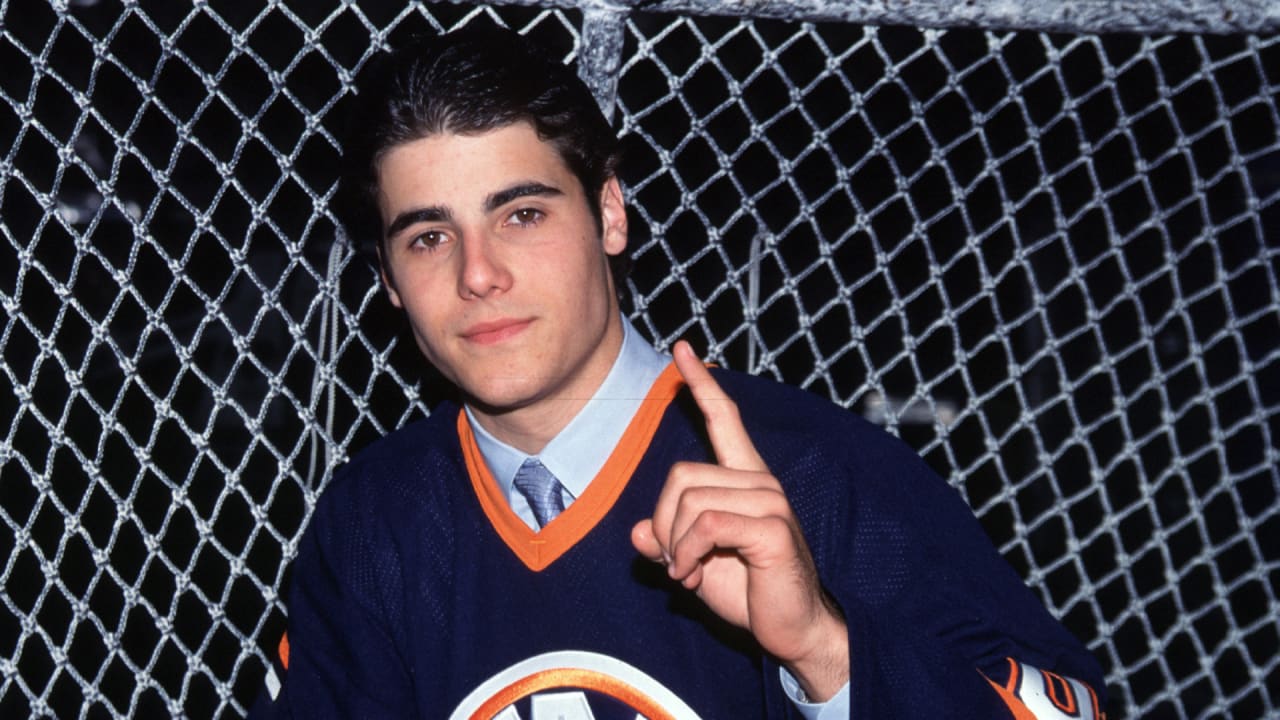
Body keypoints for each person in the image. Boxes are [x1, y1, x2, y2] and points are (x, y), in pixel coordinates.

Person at [250, 26, 1106, 719]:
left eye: (522, 214)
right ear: (389, 279)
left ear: (609, 213)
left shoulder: (811, 473)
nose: (478, 275)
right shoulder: (375, 520)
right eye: (429, 237)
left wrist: (825, 651)